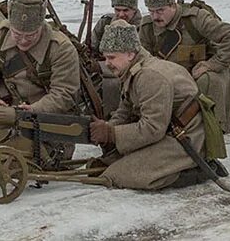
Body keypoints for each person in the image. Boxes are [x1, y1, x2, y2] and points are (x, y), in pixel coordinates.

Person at [89, 20, 211, 190]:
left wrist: (111, 133)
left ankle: (190, 171)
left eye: (112, 57)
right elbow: (125, 109)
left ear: (130, 54)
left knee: (116, 175)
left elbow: (153, 128)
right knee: (100, 166)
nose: (107, 63)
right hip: (170, 131)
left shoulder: (149, 76)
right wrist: (108, 129)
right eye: (105, 57)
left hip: (188, 139)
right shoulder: (134, 71)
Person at [0, 0, 81, 164]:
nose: (23, 41)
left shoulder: (61, 48)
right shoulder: (1, 34)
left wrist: (35, 109)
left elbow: (64, 94)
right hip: (9, 117)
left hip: (47, 123)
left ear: (41, 26)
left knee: (33, 164)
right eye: (17, 34)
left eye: (30, 36)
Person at [138, 0, 230, 133]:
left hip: (202, 75)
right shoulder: (147, 27)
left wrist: (212, 64)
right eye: (151, 11)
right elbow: (143, 61)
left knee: (209, 80)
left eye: (160, 11)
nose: (155, 17)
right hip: (173, 78)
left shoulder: (195, 19)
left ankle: (214, 129)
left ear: (173, 5)